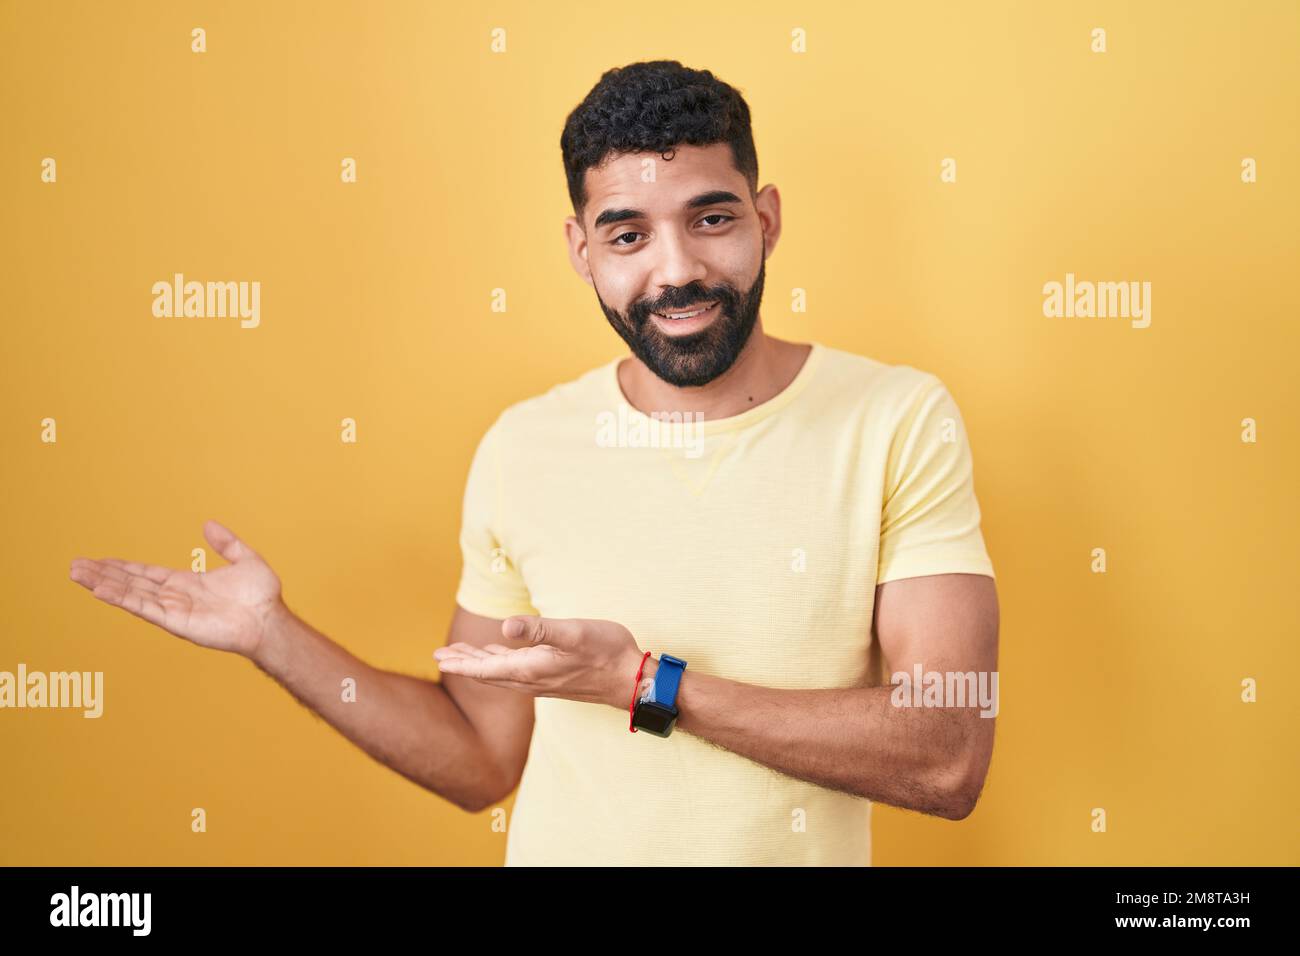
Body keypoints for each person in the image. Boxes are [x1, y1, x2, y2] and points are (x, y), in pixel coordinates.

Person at [69, 60, 999, 866]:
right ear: (580, 250)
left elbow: (945, 752)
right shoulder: (523, 447)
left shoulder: (896, 419)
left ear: (766, 219)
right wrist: (276, 637)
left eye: (711, 218)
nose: (675, 271)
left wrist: (642, 685)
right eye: (628, 234)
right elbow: (480, 758)